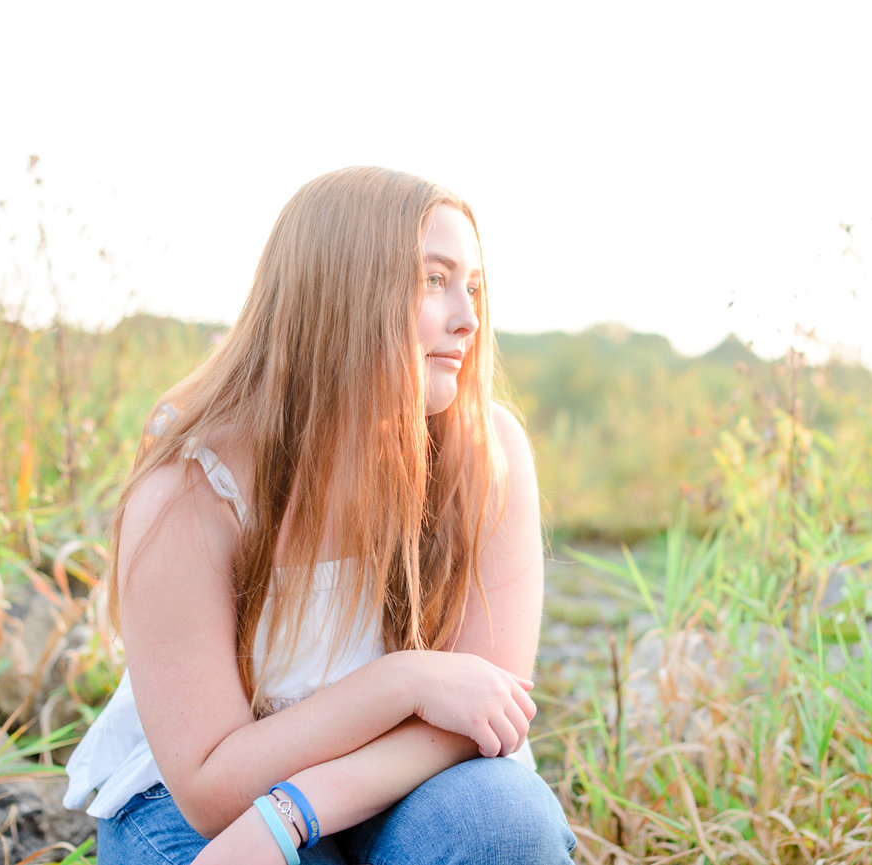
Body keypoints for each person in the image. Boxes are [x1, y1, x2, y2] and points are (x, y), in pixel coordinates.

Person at [63, 166, 577, 864]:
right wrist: (408, 680)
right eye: (434, 280)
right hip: (205, 802)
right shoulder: (193, 486)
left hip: (399, 778)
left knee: (504, 821)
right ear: (344, 290)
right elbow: (212, 786)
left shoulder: (487, 453)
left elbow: (488, 714)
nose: (468, 317)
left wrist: (295, 812)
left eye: (474, 286)